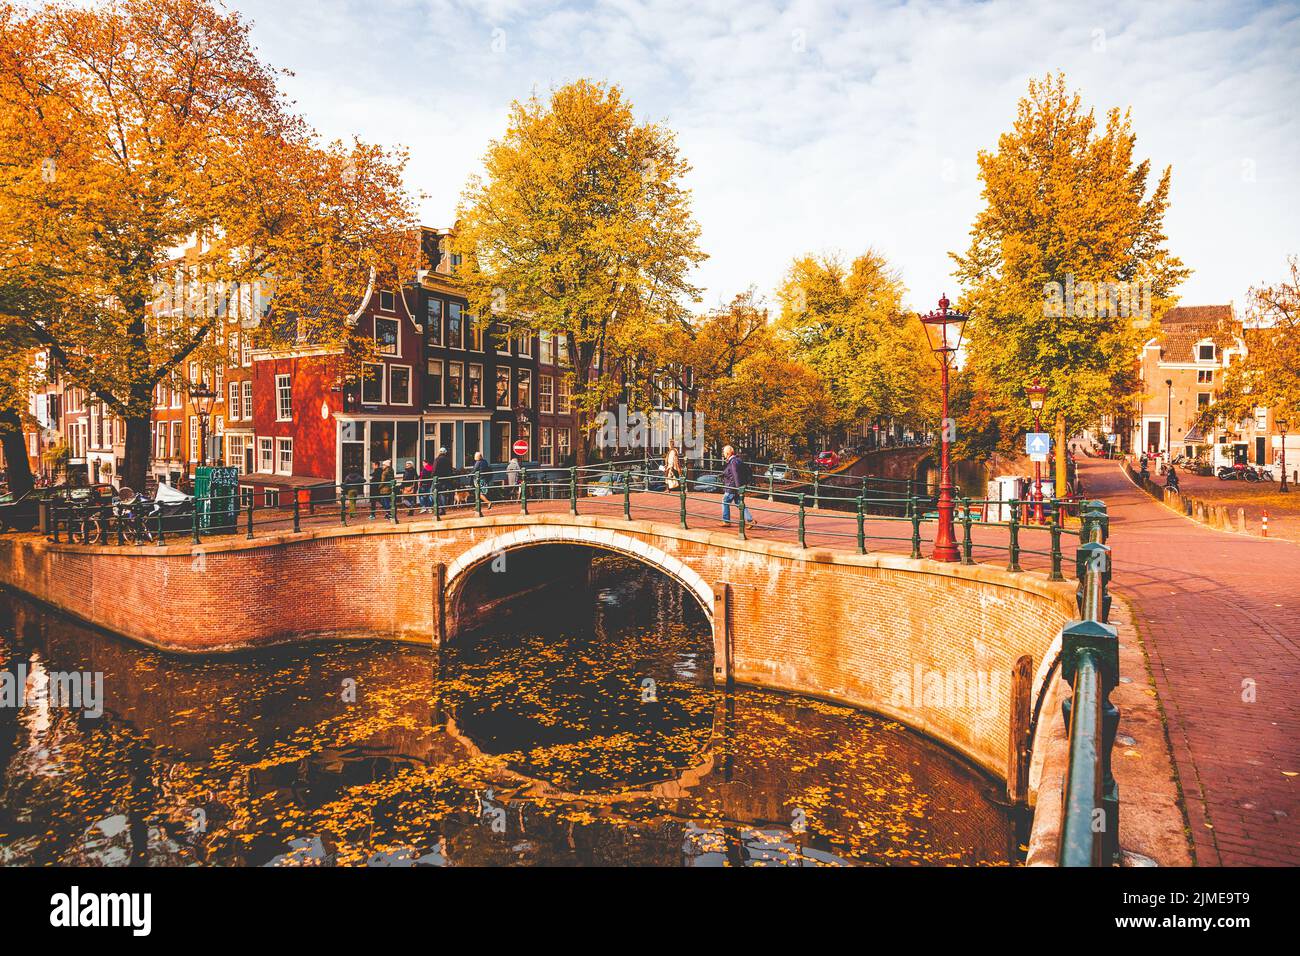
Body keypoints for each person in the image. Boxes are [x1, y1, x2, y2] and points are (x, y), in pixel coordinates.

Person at [720, 444, 757, 528]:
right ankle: (750, 520)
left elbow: (735, 474)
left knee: (725, 501)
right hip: (736, 486)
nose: (724, 455)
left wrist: (737, 488)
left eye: (724, 453)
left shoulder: (733, 462)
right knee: (739, 503)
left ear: (728, 453)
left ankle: (726, 521)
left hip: (732, 487)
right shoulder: (738, 460)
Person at [433, 446, 452, 511]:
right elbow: (450, 470)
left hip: (438, 479)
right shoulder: (448, 460)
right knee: (443, 494)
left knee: (434, 493)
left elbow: (434, 470)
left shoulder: (437, 459)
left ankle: (439, 508)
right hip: (446, 479)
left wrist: (433, 475)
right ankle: (443, 508)